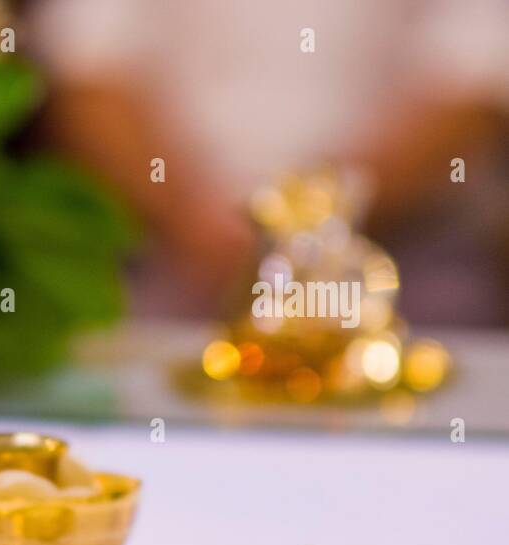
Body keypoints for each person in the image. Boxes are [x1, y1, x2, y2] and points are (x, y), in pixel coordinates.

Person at [28, 0, 509, 325]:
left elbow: (472, 78)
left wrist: (306, 229)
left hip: (408, 255)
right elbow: (88, 68)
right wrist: (194, 218)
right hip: (170, 256)